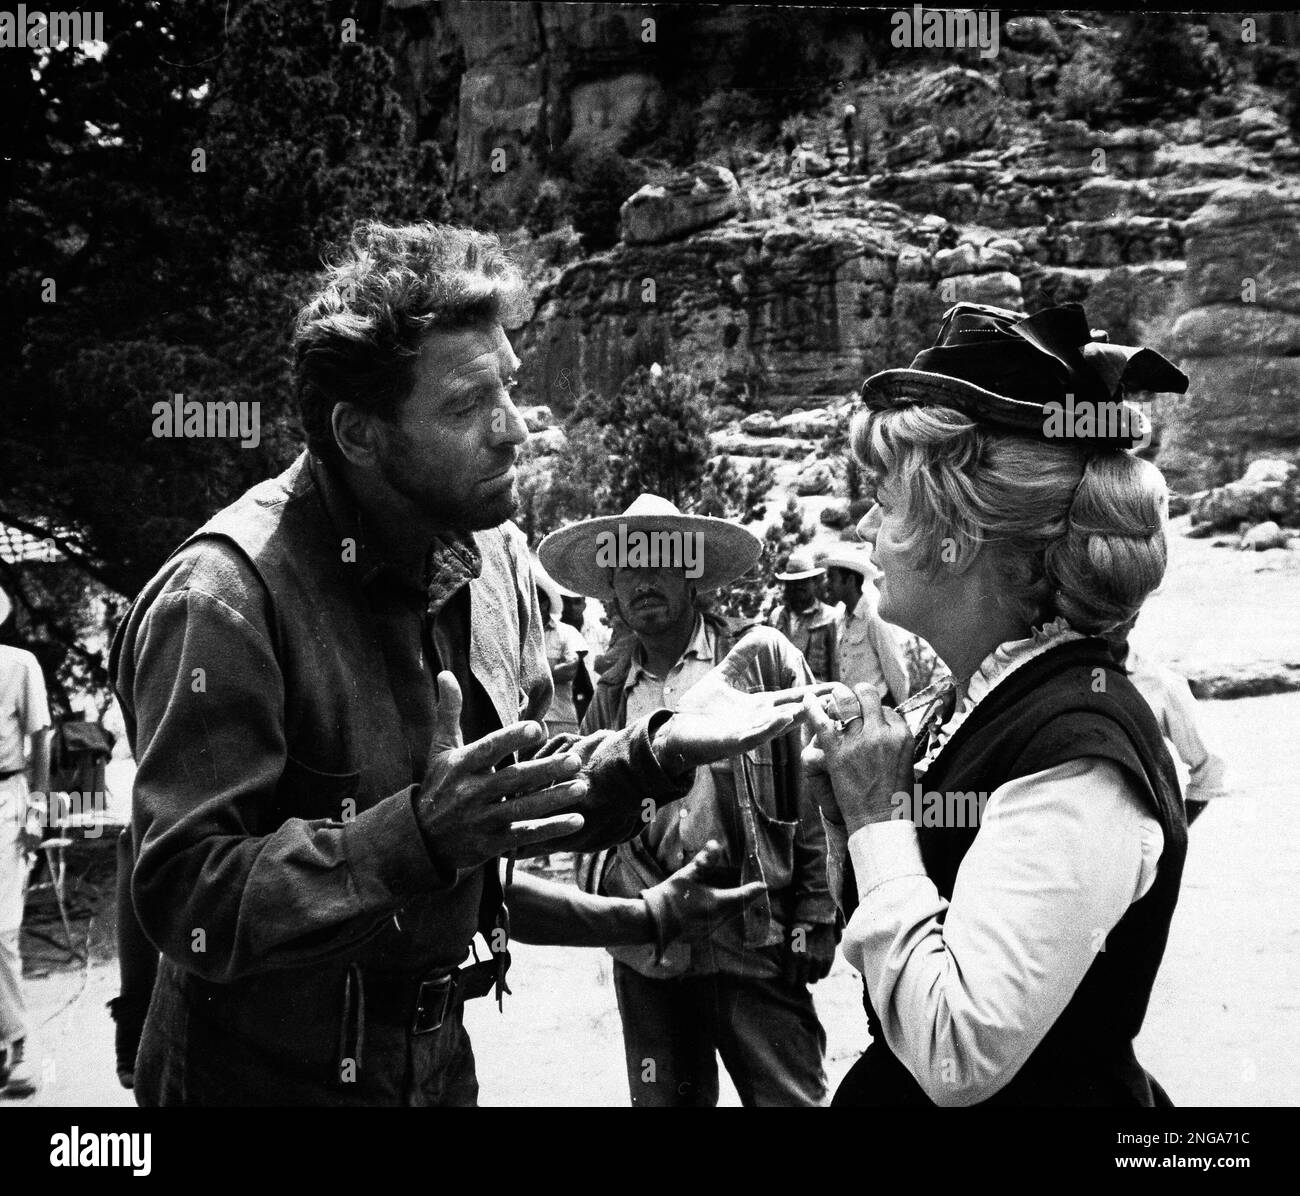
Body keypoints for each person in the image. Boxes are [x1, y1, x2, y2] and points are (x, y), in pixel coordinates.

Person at [110, 221, 823, 1107]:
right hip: (257, 1077)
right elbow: (186, 899)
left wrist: (652, 753)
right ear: (361, 434)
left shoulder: (490, 566)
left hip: (436, 1062)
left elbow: (520, 809)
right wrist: (417, 835)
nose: (515, 431)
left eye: (511, 390)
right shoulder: (222, 601)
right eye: (464, 407)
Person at [805, 300, 1193, 1106]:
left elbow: (958, 1052)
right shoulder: (989, 700)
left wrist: (878, 819)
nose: (871, 523)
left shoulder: (1079, 751)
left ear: (959, 535)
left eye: (890, 498)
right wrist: (856, 816)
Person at [542, 495, 838, 1107]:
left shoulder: (763, 660)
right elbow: (591, 807)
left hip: (751, 920)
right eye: (626, 569)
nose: (643, 581)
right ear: (612, 592)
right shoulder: (611, 691)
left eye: (659, 563)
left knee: (787, 1097)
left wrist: (814, 908)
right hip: (653, 930)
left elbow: (811, 786)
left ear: (690, 575)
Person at [0, 585, 52, 1099]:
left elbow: (42, 738)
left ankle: (17, 1048)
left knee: (2, 929)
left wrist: (39, 809)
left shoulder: (20, 665)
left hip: (7, 796)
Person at [1106, 615, 1228, 825]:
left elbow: (1208, 770)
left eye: (1122, 611)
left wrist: (1175, 837)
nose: (1110, 621)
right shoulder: (1060, 676)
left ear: (1134, 617)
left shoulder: (1161, 685)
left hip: (1134, 832)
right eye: (1101, 609)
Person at [823, 549, 910, 707]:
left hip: (877, 707)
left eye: (831, 578)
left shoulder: (874, 618)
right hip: (851, 711)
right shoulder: (839, 619)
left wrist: (902, 711)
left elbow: (895, 668)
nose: (827, 585)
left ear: (849, 580)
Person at [531, 560, 586, 738]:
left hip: (560, 720)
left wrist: (531, 677)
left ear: (545, 604)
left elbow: (570, 669)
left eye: (534, 600)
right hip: (528, 719)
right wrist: (552, 670)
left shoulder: (567, 632)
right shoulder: (520, 634)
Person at [768, 551, 840, 683]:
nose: (798, 586)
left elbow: (835, 667)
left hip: (817, 696)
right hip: (781, 696)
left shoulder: (830, 617)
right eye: (793, 582)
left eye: (804, 581)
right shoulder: (776, 616)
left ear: (814, 582)